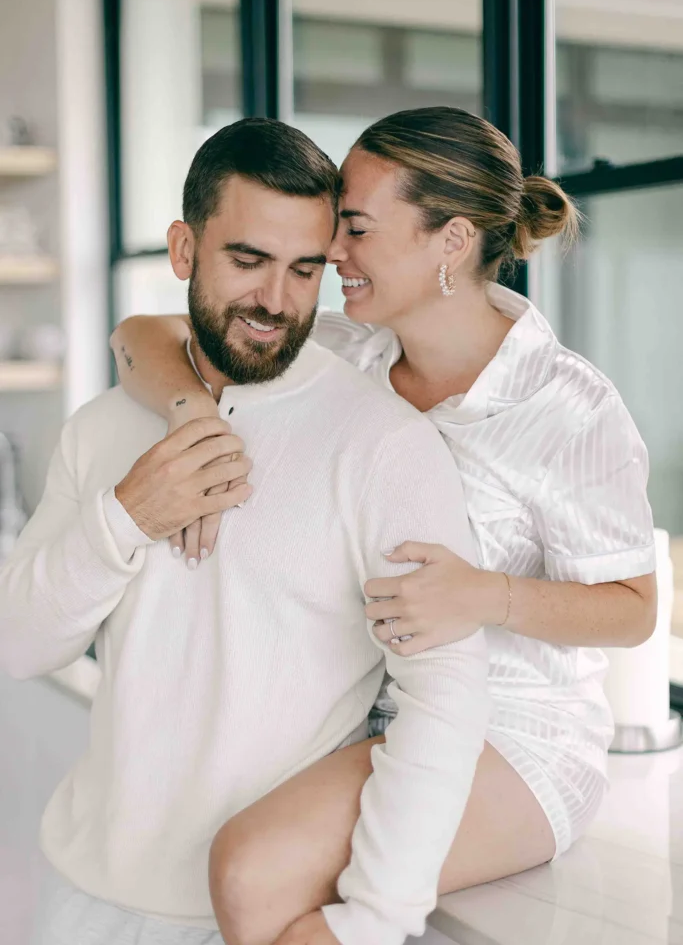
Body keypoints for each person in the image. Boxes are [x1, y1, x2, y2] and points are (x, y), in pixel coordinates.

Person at [112, 106, 657, 945]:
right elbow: (144, 334)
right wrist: (194, 411)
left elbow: (633, 609)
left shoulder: (567, 406)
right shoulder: (344, 353)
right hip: (364, 713)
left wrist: (487, 597)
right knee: (214, 860)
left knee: (251, 875)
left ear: (450, 242)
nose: (332, 255)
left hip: (515, 739)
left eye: (356, 229)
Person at [0, 118, 491, 945]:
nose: (276, 300)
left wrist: (372, 921)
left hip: (250, 917)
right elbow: (18, 644)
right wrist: (128, 516)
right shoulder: (104, 425)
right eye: (247, 260)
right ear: (184, 250)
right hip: (80, 896)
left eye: (305, 270)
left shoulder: (382, 445)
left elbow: (443, 695)